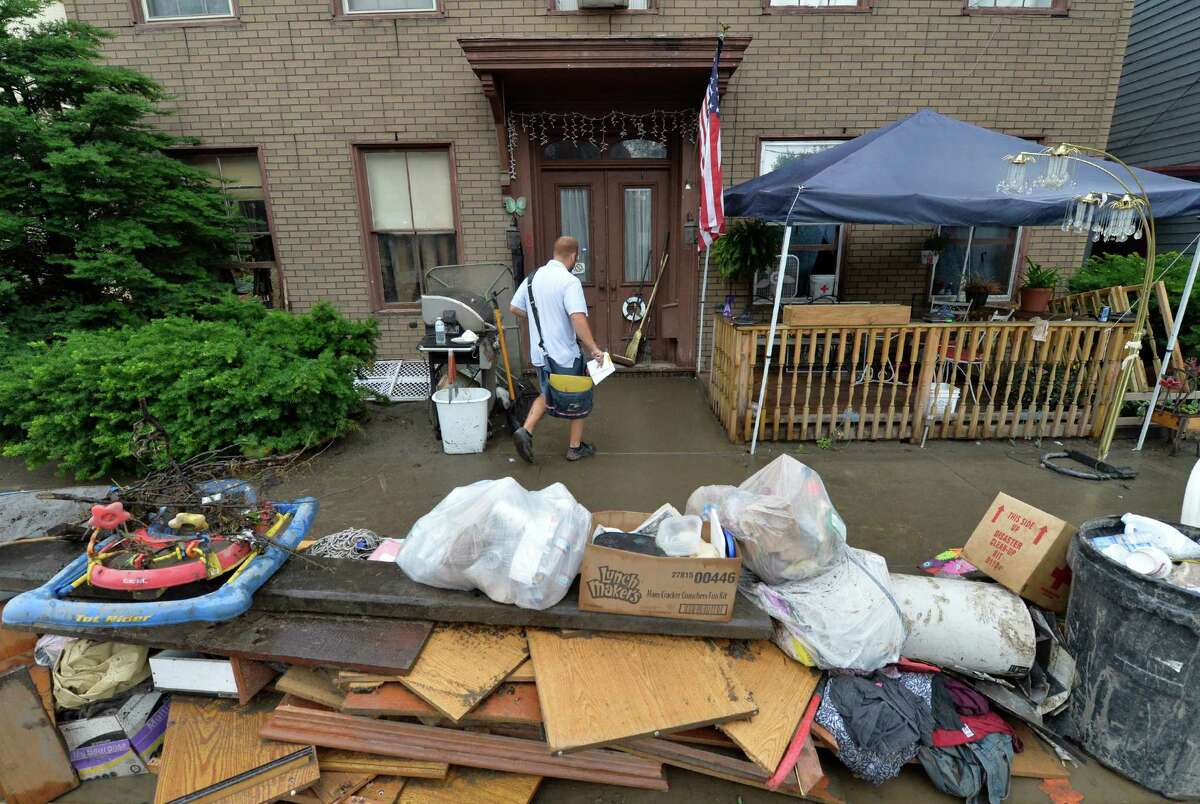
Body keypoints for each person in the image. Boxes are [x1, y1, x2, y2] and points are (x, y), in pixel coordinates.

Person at [510, 236, 604, 463]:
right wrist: (593, 348)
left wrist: (536, 318)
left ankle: (526, 431)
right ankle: (575, 447)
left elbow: (514, 307)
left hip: (540, 354)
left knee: (547, 391)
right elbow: (577, 317)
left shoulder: (533, 278)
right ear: (573, 257)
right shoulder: (569, 281)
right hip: (563, 354)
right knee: (581, 395)